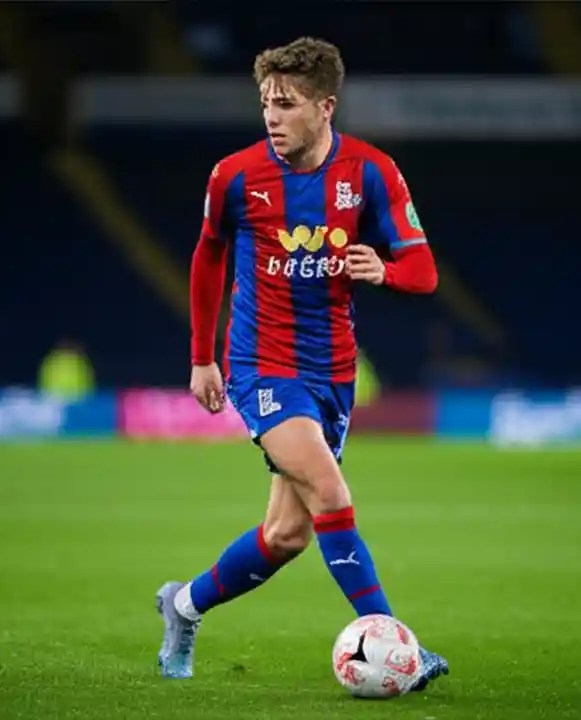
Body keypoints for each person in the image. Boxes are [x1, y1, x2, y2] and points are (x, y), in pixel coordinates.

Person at [155, 37, 449, 692]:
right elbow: (208, 256)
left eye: (286, 104)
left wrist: (386, 271)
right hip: (261, 365)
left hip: (333, 372)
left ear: (325, 107)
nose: (271, 116)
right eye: (266, 102)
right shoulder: (234, 176)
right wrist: (202, 357)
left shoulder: (372, 172)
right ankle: (397, 644)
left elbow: (424, 270)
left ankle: (182, 605)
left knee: (287, 534)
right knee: (331, 494)